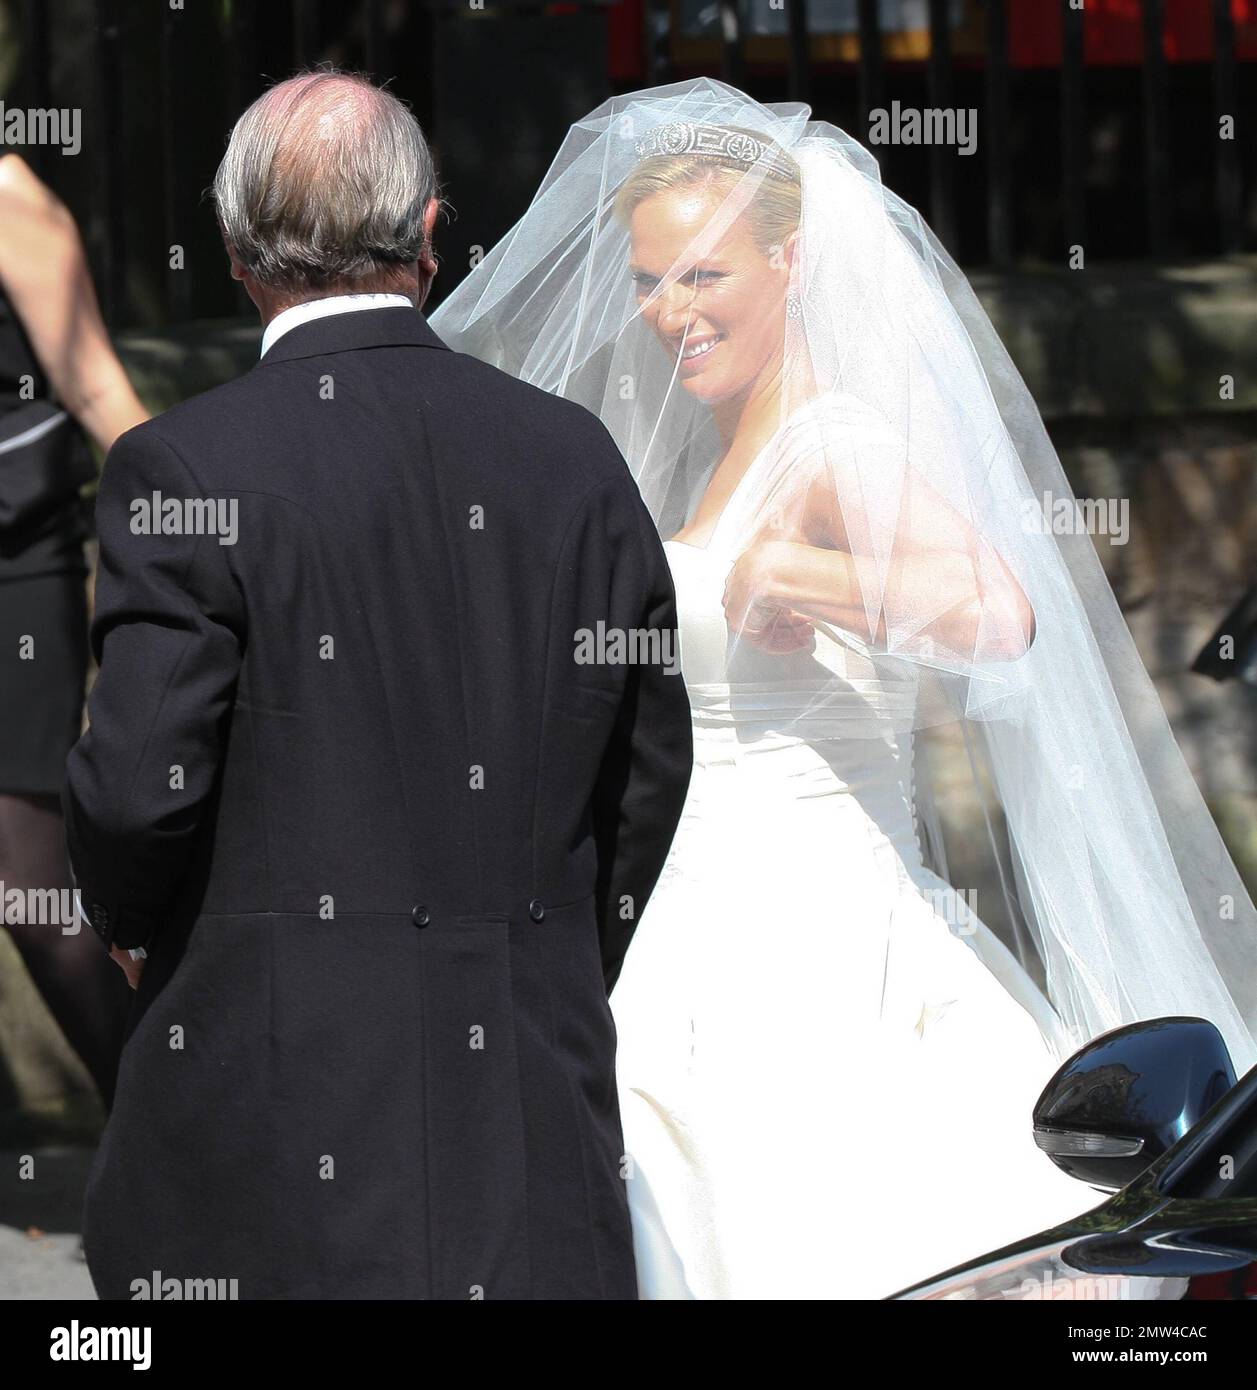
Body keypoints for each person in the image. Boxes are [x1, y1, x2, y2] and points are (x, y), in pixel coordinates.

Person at [430, 79, 1257, 1298]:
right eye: (652, 280)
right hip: (688, 912)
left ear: (791, 258)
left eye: (702, 277)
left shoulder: (833, 442)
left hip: (811, 918)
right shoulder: (722, 451)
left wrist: (800, 573)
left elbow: (997, 608)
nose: (669, 313)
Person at [62, 69, 692, 1300]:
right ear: (428, 236)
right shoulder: (573, 457)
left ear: (240, 257)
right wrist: (540, 953)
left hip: (267, 1134)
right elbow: (645, 777)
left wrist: (145, 932)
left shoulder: (186, 468)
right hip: (526, 1125)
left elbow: (140, 789)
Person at [0, 151, 145, 1110]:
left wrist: (203, 529)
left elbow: (98, 392)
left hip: (13, 575)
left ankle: (171, 1134)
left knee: (33, 893)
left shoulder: (13, 207)